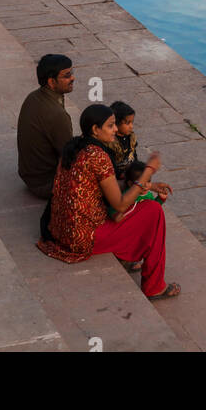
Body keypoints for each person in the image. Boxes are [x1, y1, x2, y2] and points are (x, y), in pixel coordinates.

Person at [37, 103, 180, 300]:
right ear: (95, 129)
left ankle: (129, 256)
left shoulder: (74, 147)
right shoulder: (98, 156)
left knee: (135, 207)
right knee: (153, 210)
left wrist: (150, 186)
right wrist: (149, 171)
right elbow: (120, 204)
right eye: (111, 125)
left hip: (59, 230)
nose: (115, 129)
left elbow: (111, 185)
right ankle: (154, 286)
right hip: (80, 238)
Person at [17, 55, 75, 201]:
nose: (72, 78)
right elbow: (69, 156)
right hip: (46, 184)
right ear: (51, 82)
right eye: (67, 76)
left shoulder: (33, 97)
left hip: (30, 177)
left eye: (72, 73)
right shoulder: (56, 115)